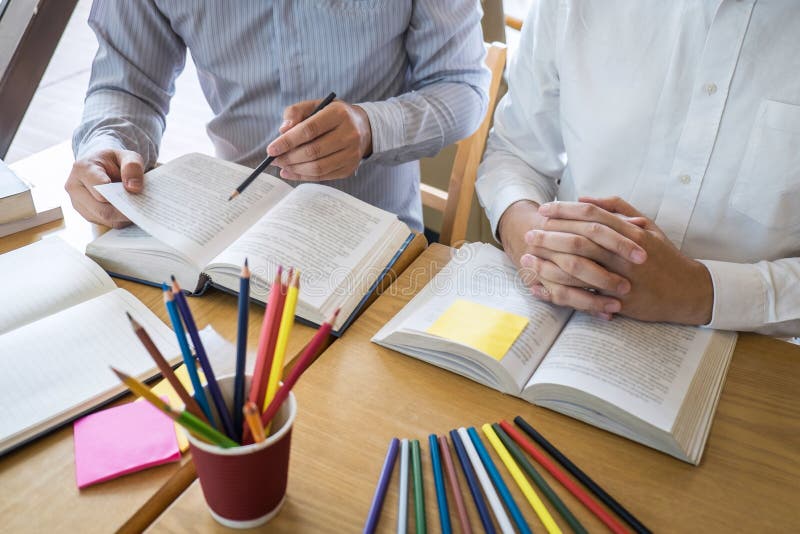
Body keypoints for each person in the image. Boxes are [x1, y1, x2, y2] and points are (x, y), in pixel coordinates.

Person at [476, 1, 800, 337]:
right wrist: (528, 237)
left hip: (750, 355)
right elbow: (516, 150)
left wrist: (698, 292)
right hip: (562, 320)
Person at [67, 1, 490, 232]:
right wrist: (108, 145)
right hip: (230, 235)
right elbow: (126, 85)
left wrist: (369, 128)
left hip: (374, 239)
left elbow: (462, 87)